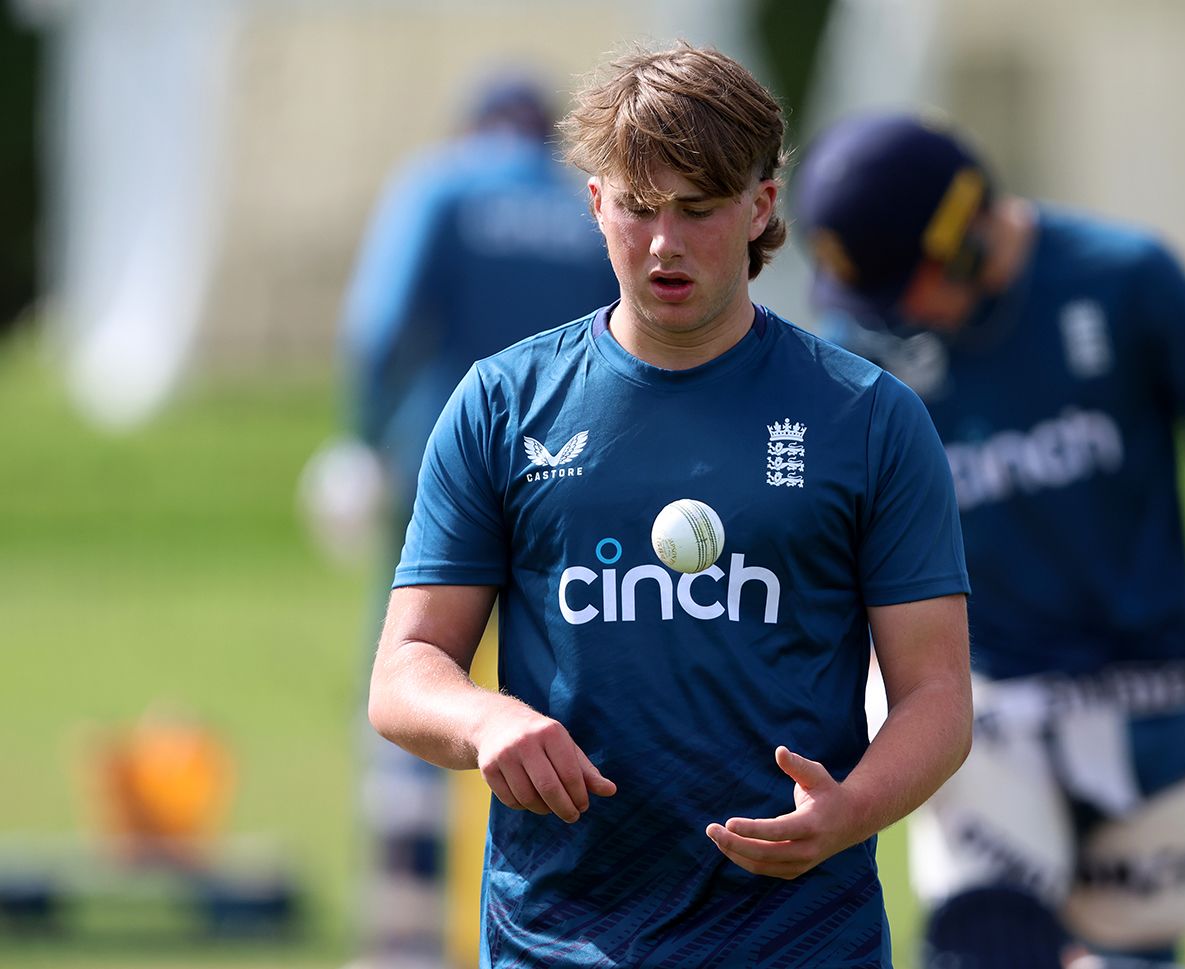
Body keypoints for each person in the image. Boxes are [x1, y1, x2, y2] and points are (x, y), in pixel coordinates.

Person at [367, 44, 973, 969]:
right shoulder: (502, 404)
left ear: (761, 207)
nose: (664, 243)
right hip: (557, 940)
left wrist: (852, 807)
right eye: (639, 207)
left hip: (796, 939)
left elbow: (937, 695)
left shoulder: (868, 417)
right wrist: (487, 720)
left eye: (698, 210)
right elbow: (406, 670)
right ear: (596, 204)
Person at [792, 113, 1185, 968]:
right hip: (989, 703)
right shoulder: (876, 348)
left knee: (1130, 956)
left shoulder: (1127, 280)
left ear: (964, 237)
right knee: (988, 943)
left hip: (1151, 698)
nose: (897, 317)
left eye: (909, 286)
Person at [336, 71, 619, 968]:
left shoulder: (443, 183)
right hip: (576, 484)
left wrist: (359, 439)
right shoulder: (589, 206)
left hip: (442, 476)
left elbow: (379, 327)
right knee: (560, 690)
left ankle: (407, 930)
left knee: (420, 672)